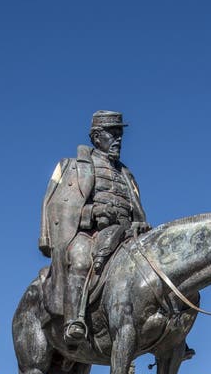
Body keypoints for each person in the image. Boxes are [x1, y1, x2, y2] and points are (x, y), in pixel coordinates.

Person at [39, 110, 150, 344]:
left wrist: (139, 223)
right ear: (97, 137)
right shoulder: (73, 166)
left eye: (120, 133)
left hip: (125, 233)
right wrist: (93, 212)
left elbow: (135, 208)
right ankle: (74, 320)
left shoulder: (126, 174)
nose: (118, 139)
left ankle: (169, 333)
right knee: (80, 260)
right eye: (113, 133)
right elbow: (59, 208)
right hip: (88, 233)